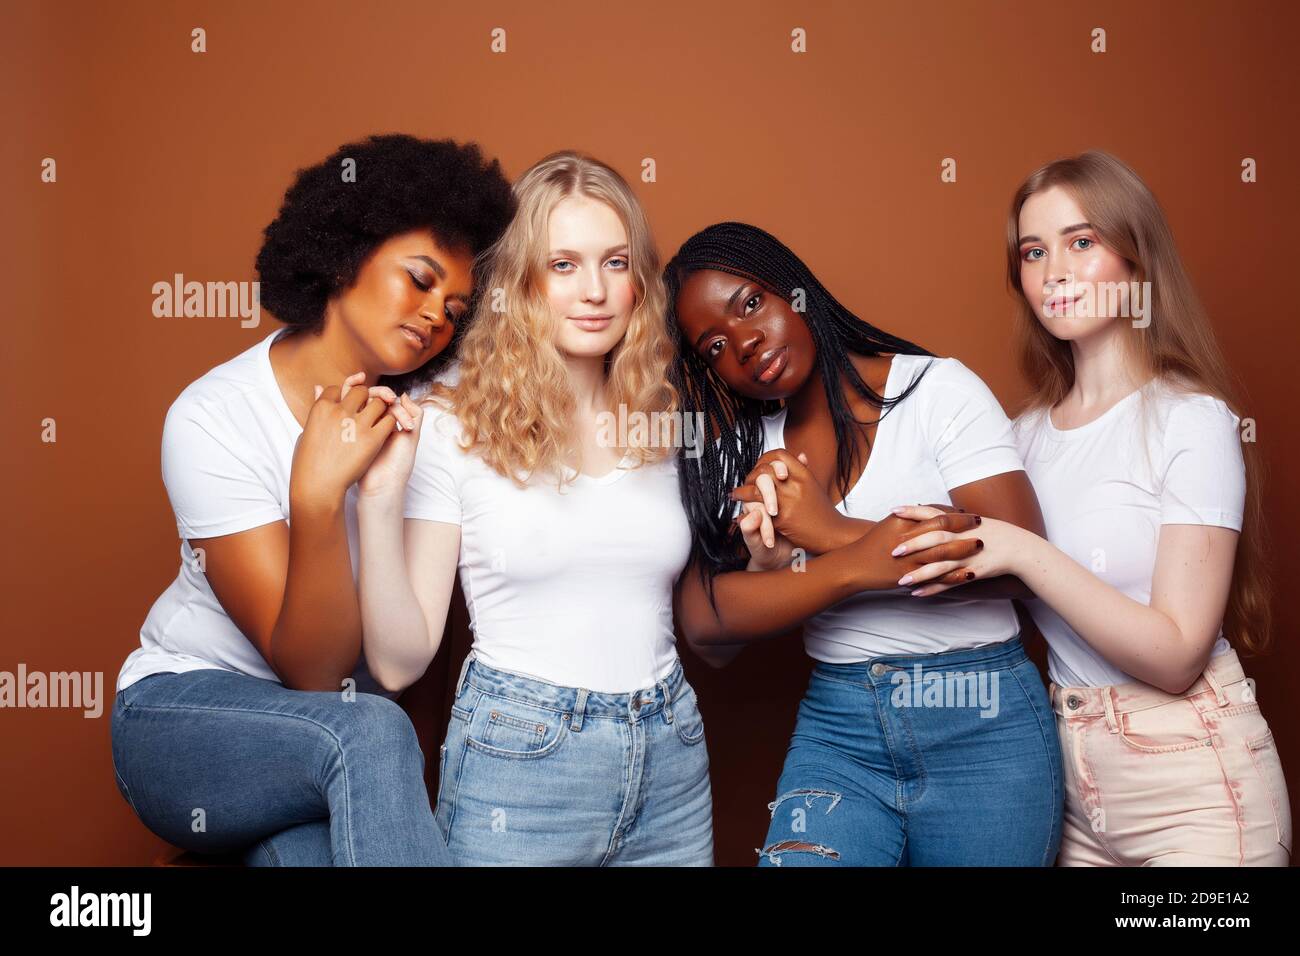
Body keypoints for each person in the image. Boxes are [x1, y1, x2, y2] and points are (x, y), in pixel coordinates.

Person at [110, 134, 513, 866]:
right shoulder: (213, 415)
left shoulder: (426, 424)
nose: (435, 316)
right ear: (343, 256)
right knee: (370, 726)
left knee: (307, 852)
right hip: (179, 720)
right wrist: (319, 494)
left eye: (455, 307)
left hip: (325, 746)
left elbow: (390, 663)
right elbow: (314, 674)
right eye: (418, 281)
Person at [894, 150, 1291, 865]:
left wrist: (1023, 551)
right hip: (1072, 786)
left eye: (1083, 242)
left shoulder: (1190, 420)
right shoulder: (1018, 440)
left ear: (1138, 259)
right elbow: (936, 550)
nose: (1056, 271)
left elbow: (1176, 655)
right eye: (1034, 252)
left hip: (1195, 782)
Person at [355, 151, 714, 865]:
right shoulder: (453, 424)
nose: (595, 292)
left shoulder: (666, 421)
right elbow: (398, 664)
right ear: (518, 283)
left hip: (671, 751)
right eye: (563, 265)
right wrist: (379, 495)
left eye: (615, 263)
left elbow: (714, 621)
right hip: (522, 763)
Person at [665, 221, 1063, 865]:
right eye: (714, 347)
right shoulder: (747, 452)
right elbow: (706, 626)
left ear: (792, 288)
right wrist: (840, 567)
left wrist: (823, 535)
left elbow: (1023, 562)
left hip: (982, 718)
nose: (743, 344)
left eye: (749, 304)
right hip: (840, 726)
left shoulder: (937, 392)